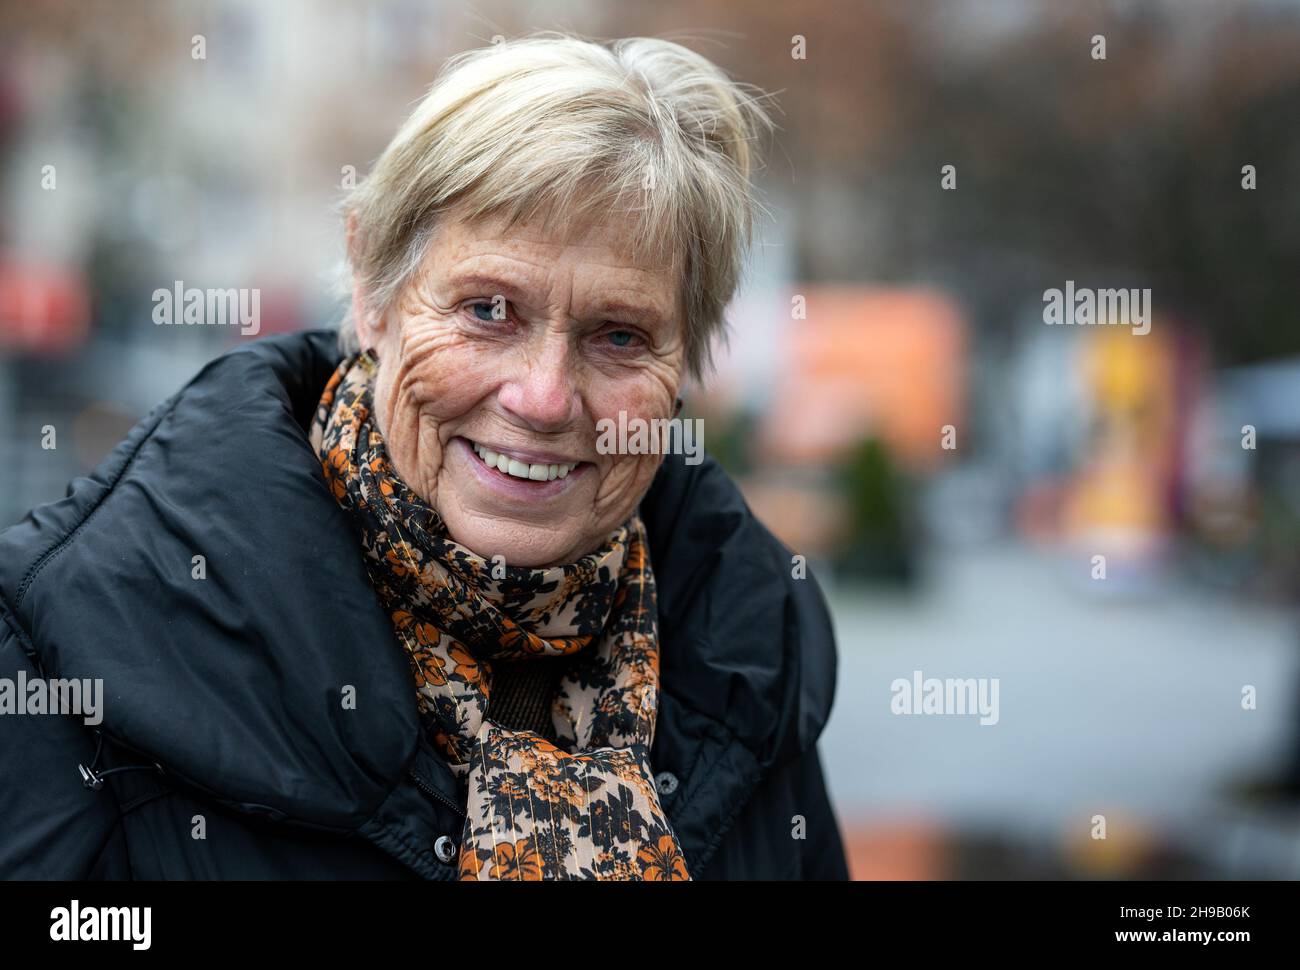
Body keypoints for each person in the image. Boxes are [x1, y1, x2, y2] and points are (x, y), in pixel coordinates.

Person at [0, 33, 849, 880]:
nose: (544, 398)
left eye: (619, 335)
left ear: (687, 361)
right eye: (488, 310)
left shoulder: (744, 668)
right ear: (374, 290)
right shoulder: (69, 646)